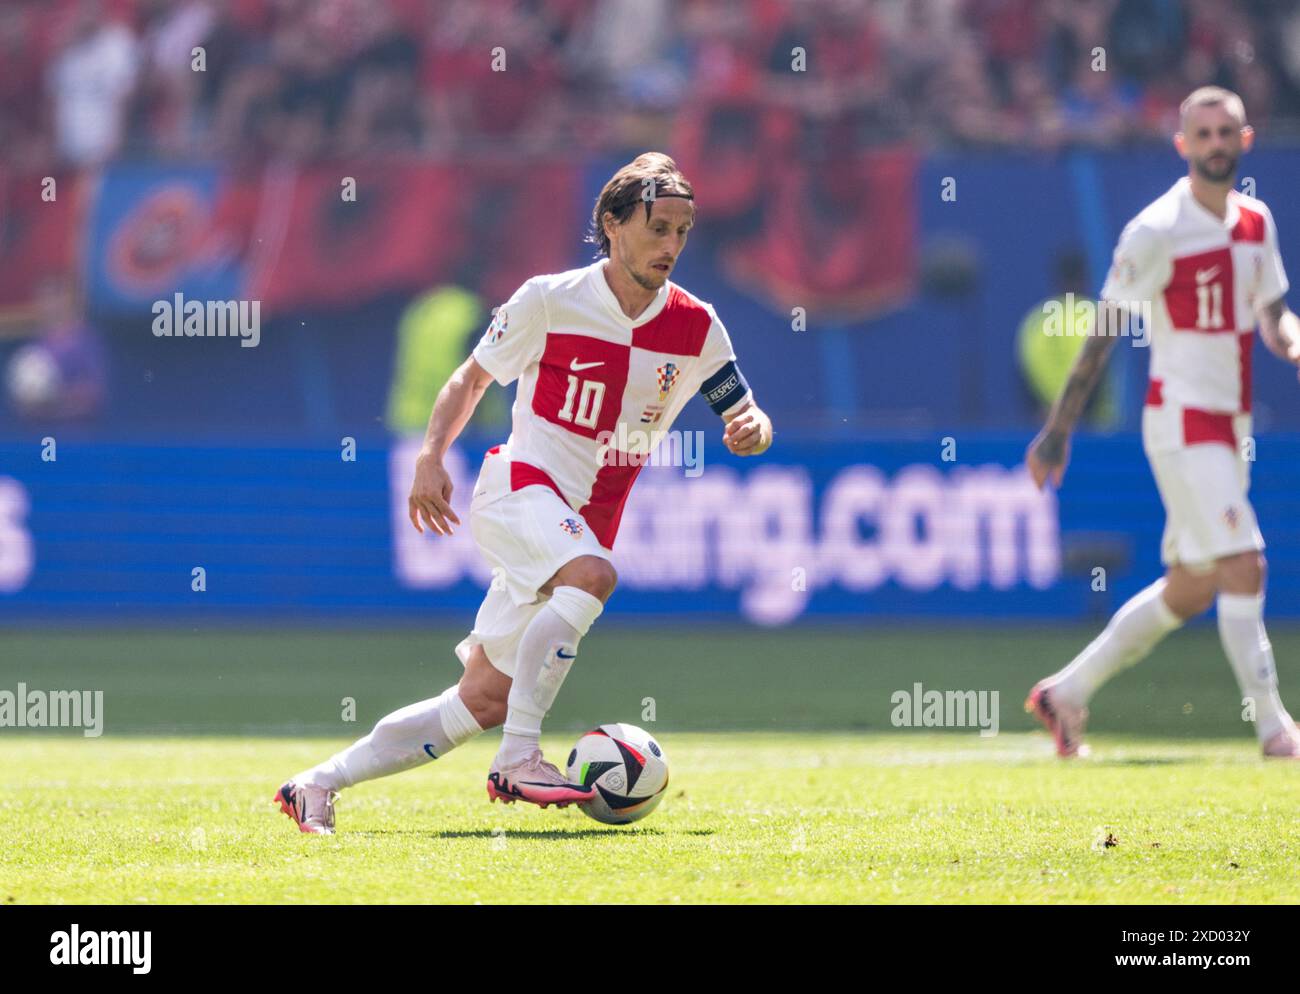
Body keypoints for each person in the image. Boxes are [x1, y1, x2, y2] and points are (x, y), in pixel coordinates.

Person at [276, 152, 773, 832]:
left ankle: (315, 784)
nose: (672, 246)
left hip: (580, 521)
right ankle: (518, 758)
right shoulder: (549, 299)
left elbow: (741, 407)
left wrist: (753, 428)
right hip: (519, 488)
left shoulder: (696, 326)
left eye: (683, 232)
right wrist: (429, 458)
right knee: (593, 576)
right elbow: (470, 380)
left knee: (478, 699)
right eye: (659, 228)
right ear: (613, 224)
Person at [1024, 87, 1300, 759]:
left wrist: (1294, 341)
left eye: (1224, 132)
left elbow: (1273, 315)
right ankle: (1275, 730)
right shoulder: (1156, 230)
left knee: (1192, 586)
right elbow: (1104, 332)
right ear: (1181, 145)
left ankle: (1065, 694)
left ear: (1244, 140)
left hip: (1230, 425)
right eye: (1201, 134)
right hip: (1179, 419)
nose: (1213, 144)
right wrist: (1058, 430)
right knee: (1244, 563)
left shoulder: (1256, 222)